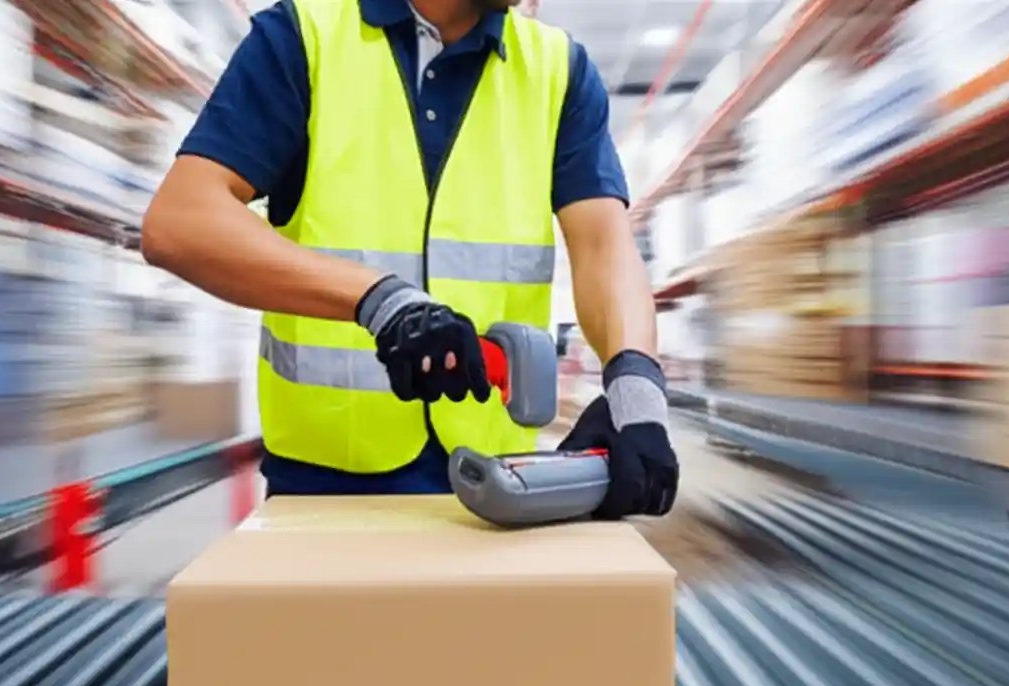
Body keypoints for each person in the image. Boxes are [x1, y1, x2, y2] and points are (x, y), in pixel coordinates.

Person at [142, 0, 678, 519]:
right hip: (324, 492)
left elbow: (603, 244)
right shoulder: (304, 38)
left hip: (499, 490)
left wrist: (636, 387)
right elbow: (182, 222)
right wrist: (382, 301)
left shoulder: (558, 71)